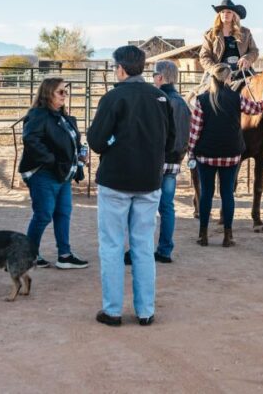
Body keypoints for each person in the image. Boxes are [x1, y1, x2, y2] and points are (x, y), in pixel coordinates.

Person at [88, 45, 174, 327]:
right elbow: (171, 141)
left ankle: (113, 310)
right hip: (149, 181)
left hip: (116, 180)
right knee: (143, 245)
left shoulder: (113, 97)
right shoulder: (160, 97)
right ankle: (145, 310)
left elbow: (96, 140)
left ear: (121, 68)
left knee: (112, 245)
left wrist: (114, 144)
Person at [188, 63, 263, 247]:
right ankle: (228, 236)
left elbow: (195, 131)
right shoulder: (236, 98)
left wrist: (191, 153)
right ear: (227, 78)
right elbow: (256, 109)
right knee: (227, 194)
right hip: (231, 154)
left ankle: (203, 235)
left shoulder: (201, 99)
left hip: (206, 155)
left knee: (207, 194)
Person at [125, 60, 192, 265]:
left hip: (155, 161)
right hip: (174, 162)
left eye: (154, 75)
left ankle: (137, 250)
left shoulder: (158, 100)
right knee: (167, 207)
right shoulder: (183, 103)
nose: (152, 78)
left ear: (160, 77)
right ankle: (165, 249)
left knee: (141, 207)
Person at [19, 77, 88, 270]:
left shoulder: (64, 117)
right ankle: (28, 255)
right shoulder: (38, 115)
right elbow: (31, 140)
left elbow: (73, 143)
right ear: (48, 93)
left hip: (63, 174)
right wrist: (52, 161)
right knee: (43, 215)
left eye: (66, 91)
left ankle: (64, 255)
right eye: (61, 91)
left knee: (63, 213)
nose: (65, 95)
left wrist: (81, 154)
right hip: (45, 174)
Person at [199, 0, 259, 74]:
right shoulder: (210, 34)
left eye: (229, 12)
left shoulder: (245, 33)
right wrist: (214, 69)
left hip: (242, 71)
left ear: (234, 15)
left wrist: (247, 58)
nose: (225, 14)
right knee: (209, 86)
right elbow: (204, 56)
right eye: (222, 12)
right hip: (219, 73)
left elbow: (254, 51)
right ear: (219, 15)